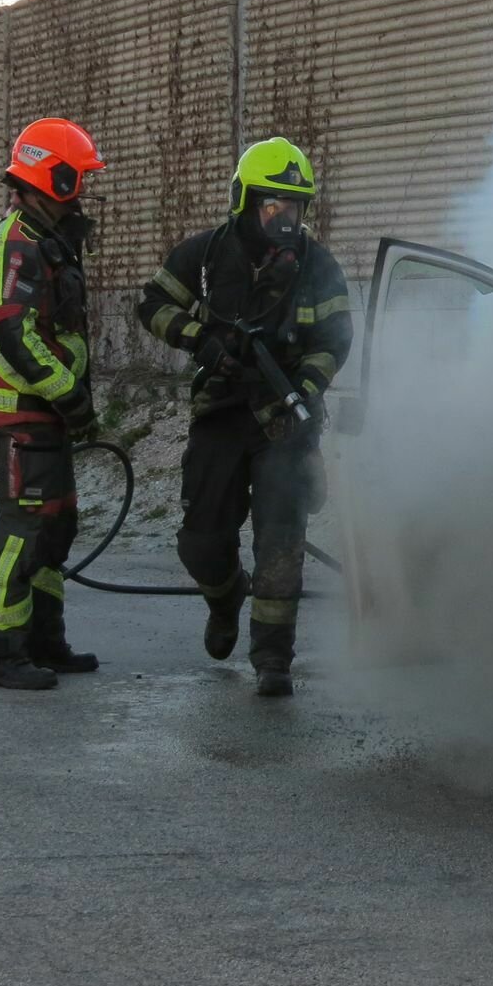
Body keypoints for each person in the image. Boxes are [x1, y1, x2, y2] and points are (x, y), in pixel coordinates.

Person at [135, 137, 352, 697]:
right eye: (273, 205)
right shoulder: (207, 254)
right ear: (245, 200)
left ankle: (273, 659)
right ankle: (225, 594)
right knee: (201, 541)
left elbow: (336, 339)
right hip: (221, 413)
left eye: (295, 207)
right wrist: (200, 339)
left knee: (282, 538)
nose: (284, 218)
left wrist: (305, 385)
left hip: (284, 421)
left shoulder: (317, 266)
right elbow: (152, 302)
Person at [0, 117, 106, 690]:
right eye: (77, 178)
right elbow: (11, 329)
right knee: (23, 526)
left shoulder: (44, 237)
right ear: (53, 177)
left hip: (45, 410)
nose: (82, 192)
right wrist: (67, 393)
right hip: (24, 410)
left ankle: (44, 639)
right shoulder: (19, 242)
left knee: (56, 525)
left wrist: (67, 399)